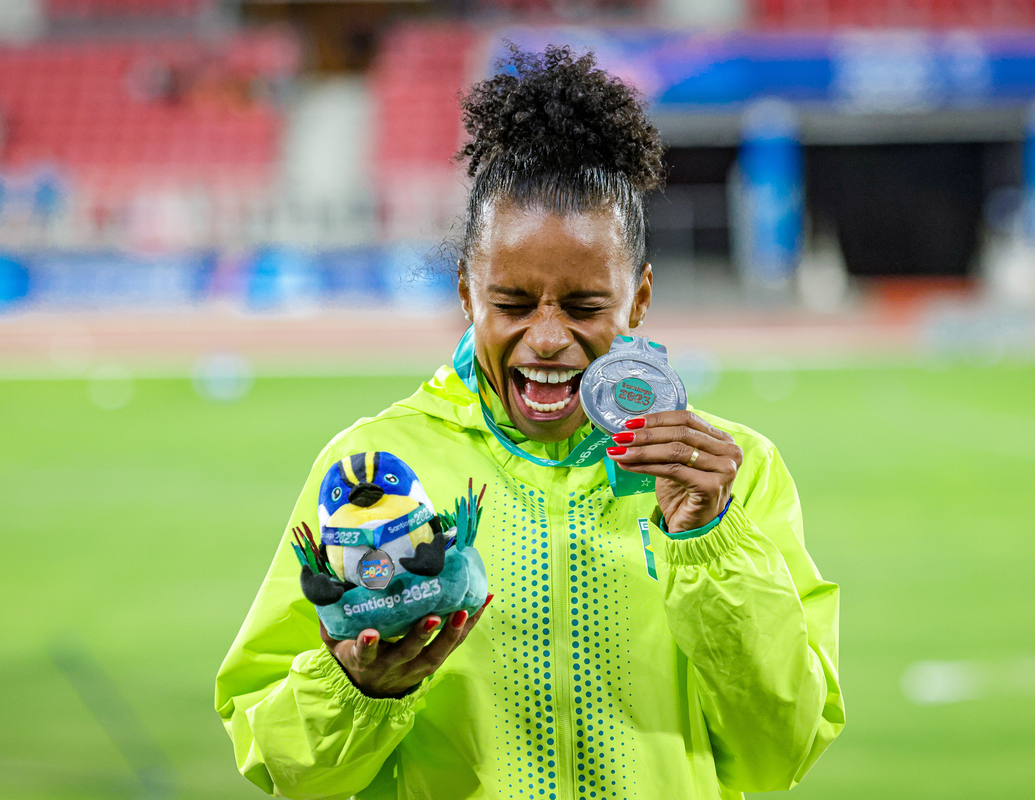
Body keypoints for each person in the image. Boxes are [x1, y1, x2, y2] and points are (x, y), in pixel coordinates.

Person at [215, 45, 844, 799]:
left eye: (584, 307)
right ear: (465, 291)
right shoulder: (374, 469)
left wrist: (709, 548)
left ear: (638, 299)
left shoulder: (728, 473)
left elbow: (780, 751)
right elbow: (284, 769)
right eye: (512, 304)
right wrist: (358, 686)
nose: (547, 339)